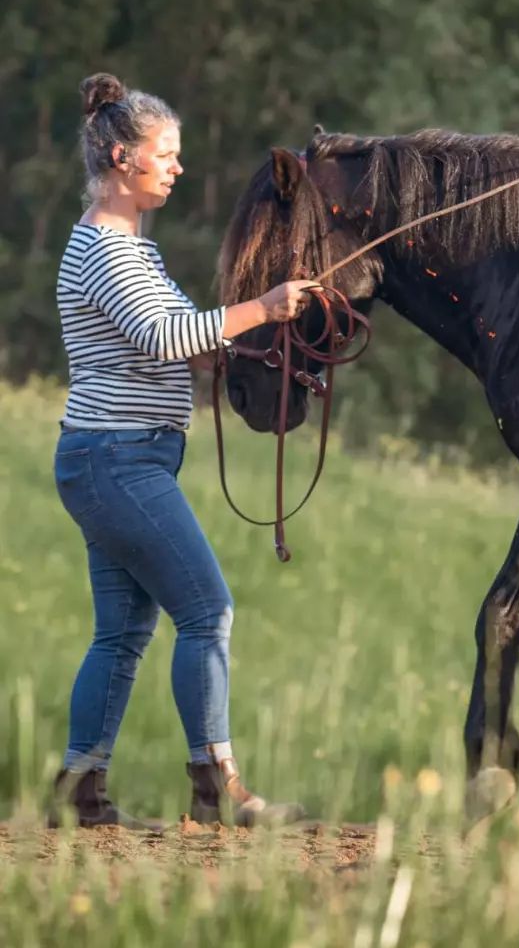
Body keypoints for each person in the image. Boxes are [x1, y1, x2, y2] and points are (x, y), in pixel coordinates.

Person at [50, 72, 320, 829]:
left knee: (123, 632)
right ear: (121, 157)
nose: (177, 167)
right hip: (116, 461)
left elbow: (184, 342)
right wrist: (262, 307)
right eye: (165, 154)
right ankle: (218, 789)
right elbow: (168, 334)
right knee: (207, 611)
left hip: (115, 460)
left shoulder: (135, 250)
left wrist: (255, 347)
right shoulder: (105, 252)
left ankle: (80, 790)